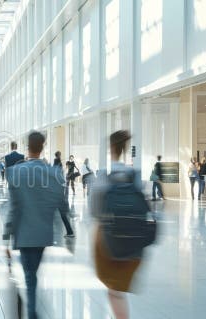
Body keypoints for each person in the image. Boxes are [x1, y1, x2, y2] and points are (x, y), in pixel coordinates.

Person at [5, 131, 69, 319]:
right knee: (32, 273)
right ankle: (33, 311)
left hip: (25, 234)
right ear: (43, 147)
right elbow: (61, 205)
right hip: (43, 233)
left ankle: (32, 313)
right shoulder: (54, 173)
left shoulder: (16, 172)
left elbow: (14, 209)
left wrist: (5, 239)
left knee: (30, 275)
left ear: (27, 147)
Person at [90, 130, 146, 319]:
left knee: (114, 291)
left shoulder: (103, 177)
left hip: (109, 241)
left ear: (111, 149)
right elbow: (144, 207)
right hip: (134, 242)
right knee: (118, 290)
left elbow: (94, 212)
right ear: (125, 148)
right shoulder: (135, 177)